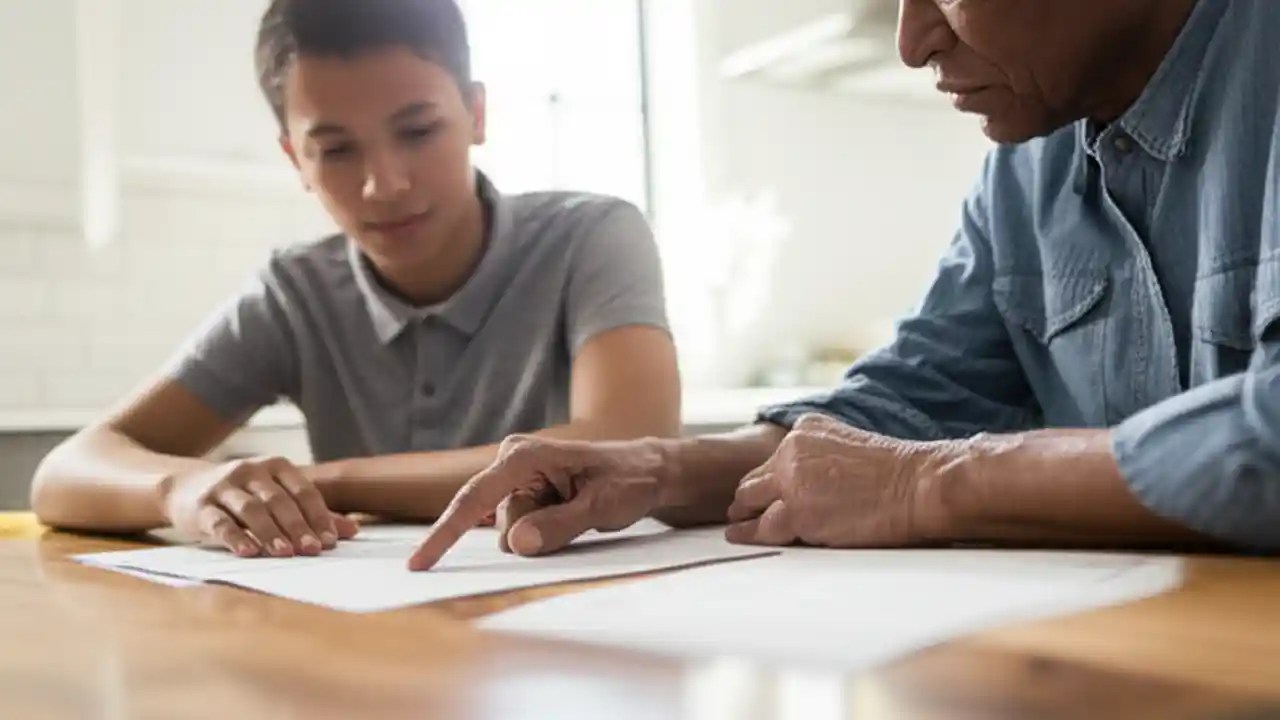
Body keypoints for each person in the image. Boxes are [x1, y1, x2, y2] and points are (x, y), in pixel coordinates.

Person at [410, 0, 1280, 571]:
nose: (911, 42)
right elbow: (912, 399)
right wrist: (660, 469)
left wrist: (929, 483)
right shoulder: (1024, 172)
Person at [29, 0, 680, 559]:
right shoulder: (294, 294)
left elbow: (628, 439)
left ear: (476, 113)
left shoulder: (590, 235)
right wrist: (184, 488)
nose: (384, 184)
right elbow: (63, 474)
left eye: (419, 131)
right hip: (361, 641)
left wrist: (327, 481)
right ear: (295, 158)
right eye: (337, 150)